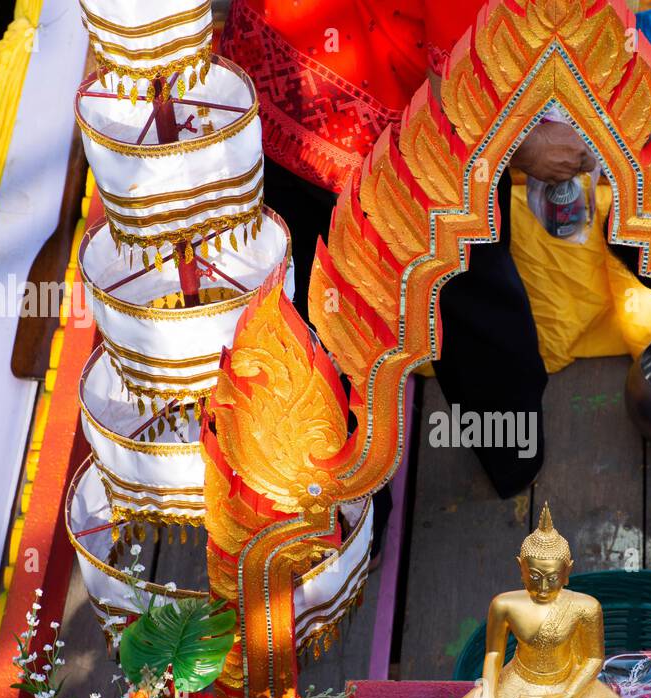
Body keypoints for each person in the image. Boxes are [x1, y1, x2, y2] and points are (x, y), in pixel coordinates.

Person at [219, 0, 597, 499]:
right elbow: (460, 89)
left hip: (273, 89)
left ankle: (346, 514)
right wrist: (529, 147)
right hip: (402, 139)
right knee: (469, 299)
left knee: (317, 322)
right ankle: (509, 458)